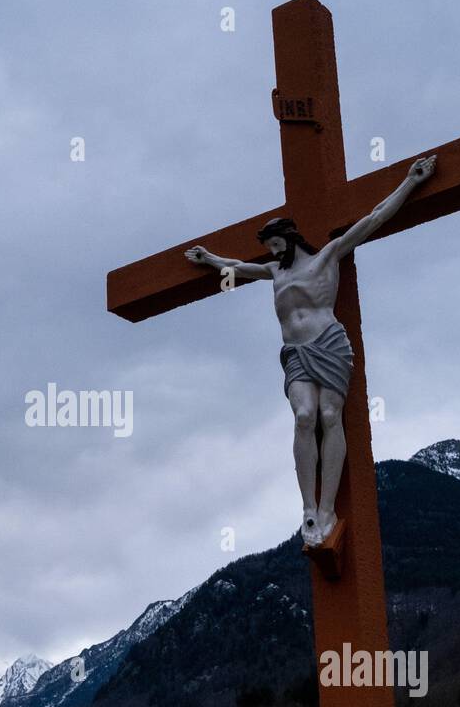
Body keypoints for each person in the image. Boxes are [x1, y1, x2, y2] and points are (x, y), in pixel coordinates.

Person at [186, 155, 437, 546]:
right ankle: (308, 507)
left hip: (329, 343)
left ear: (290, 238)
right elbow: (235, 266)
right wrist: (209, 259)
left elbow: (374, 218)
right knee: (304, 416)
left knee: (329, 413)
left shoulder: (327, 256)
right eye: (268, 247)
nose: (273, 252)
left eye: (275, 244)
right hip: (296, 351)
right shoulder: (274, 272)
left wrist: (411, 181)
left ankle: (327, 509)